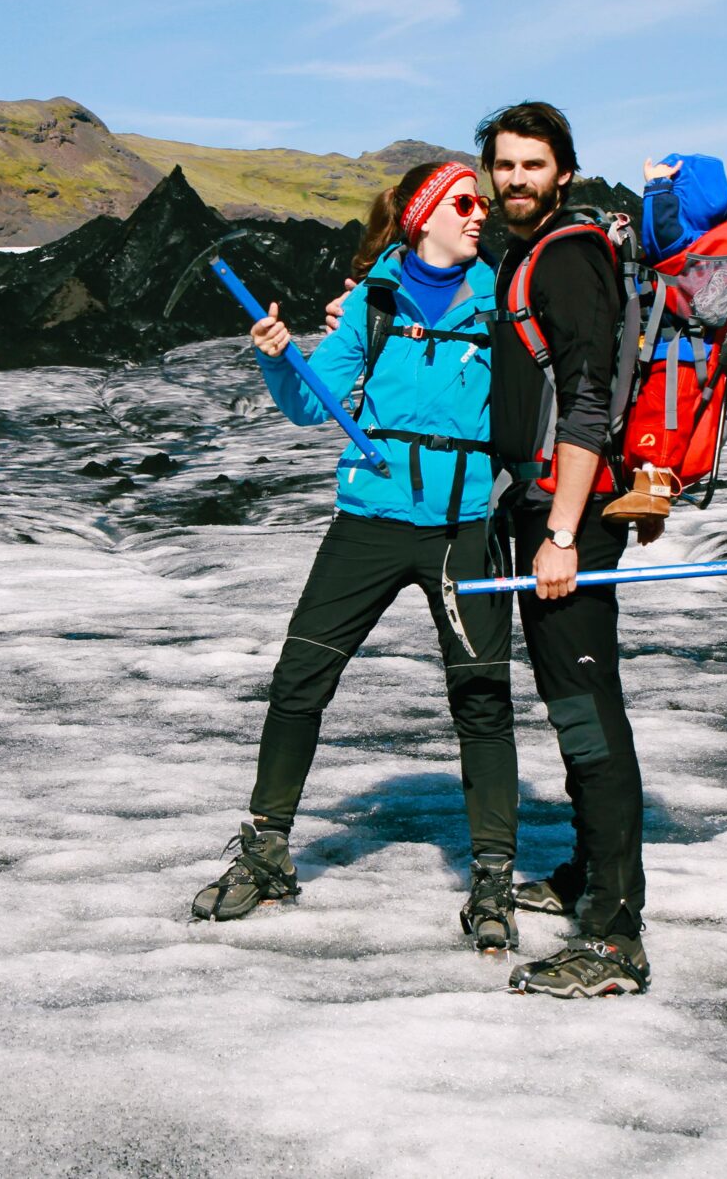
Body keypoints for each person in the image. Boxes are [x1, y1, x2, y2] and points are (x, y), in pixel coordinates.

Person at [191, 160, 524, 953]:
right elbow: (313, 403)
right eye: (464, 202)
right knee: (300, 676)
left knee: (481, 699)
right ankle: (268, 850)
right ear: (420, 216)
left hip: (465, 524)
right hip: (369, 517)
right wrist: (279, 353)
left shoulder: (503, 300)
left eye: (481, 202)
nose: (481, 213)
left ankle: (493, 880)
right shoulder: (371, 305)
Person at [482, 101, 654, 998]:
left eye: (533, 166)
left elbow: (590, 399)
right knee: (568, 701)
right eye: (505, 165)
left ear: (565, 172)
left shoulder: (570, 255)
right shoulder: (522, 253)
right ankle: (588, 874)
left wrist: (560, 534)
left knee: (588, 709)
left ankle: (617, 936)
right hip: (542, 508)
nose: (516, 179)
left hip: (566, 517)